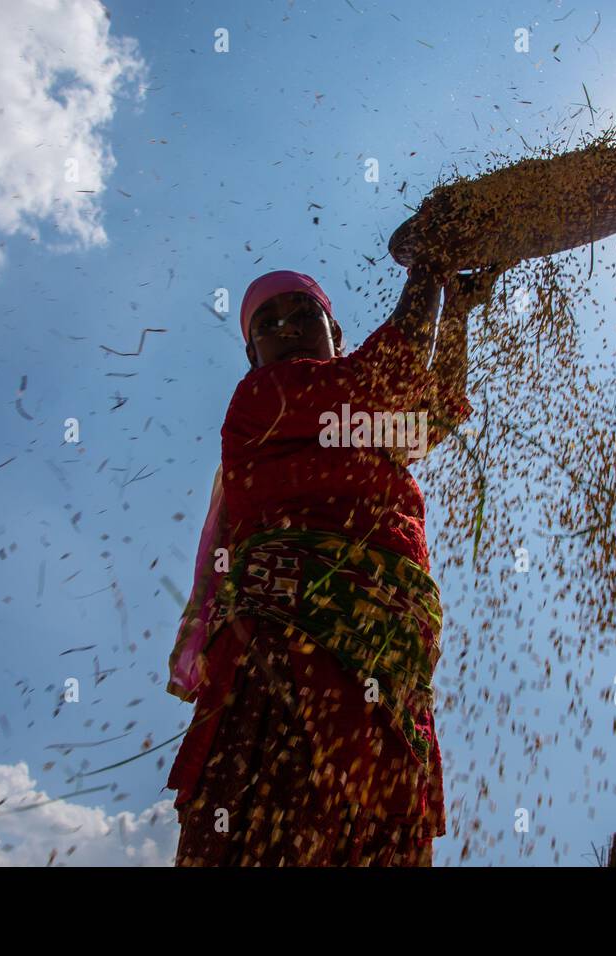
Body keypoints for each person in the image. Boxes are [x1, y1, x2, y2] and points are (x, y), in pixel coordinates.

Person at [164, 261, 499, 866]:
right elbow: (377, 379)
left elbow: (429, 423)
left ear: (335, 335)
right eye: (268, 324)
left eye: (302, 315)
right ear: (251, 356)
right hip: (287, 643)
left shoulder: (360, 417)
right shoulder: (263, 400)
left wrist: (458, 311)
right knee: (275, 812)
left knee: (370, 828)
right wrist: (428, 266)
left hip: (387, 656)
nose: (286, 327)